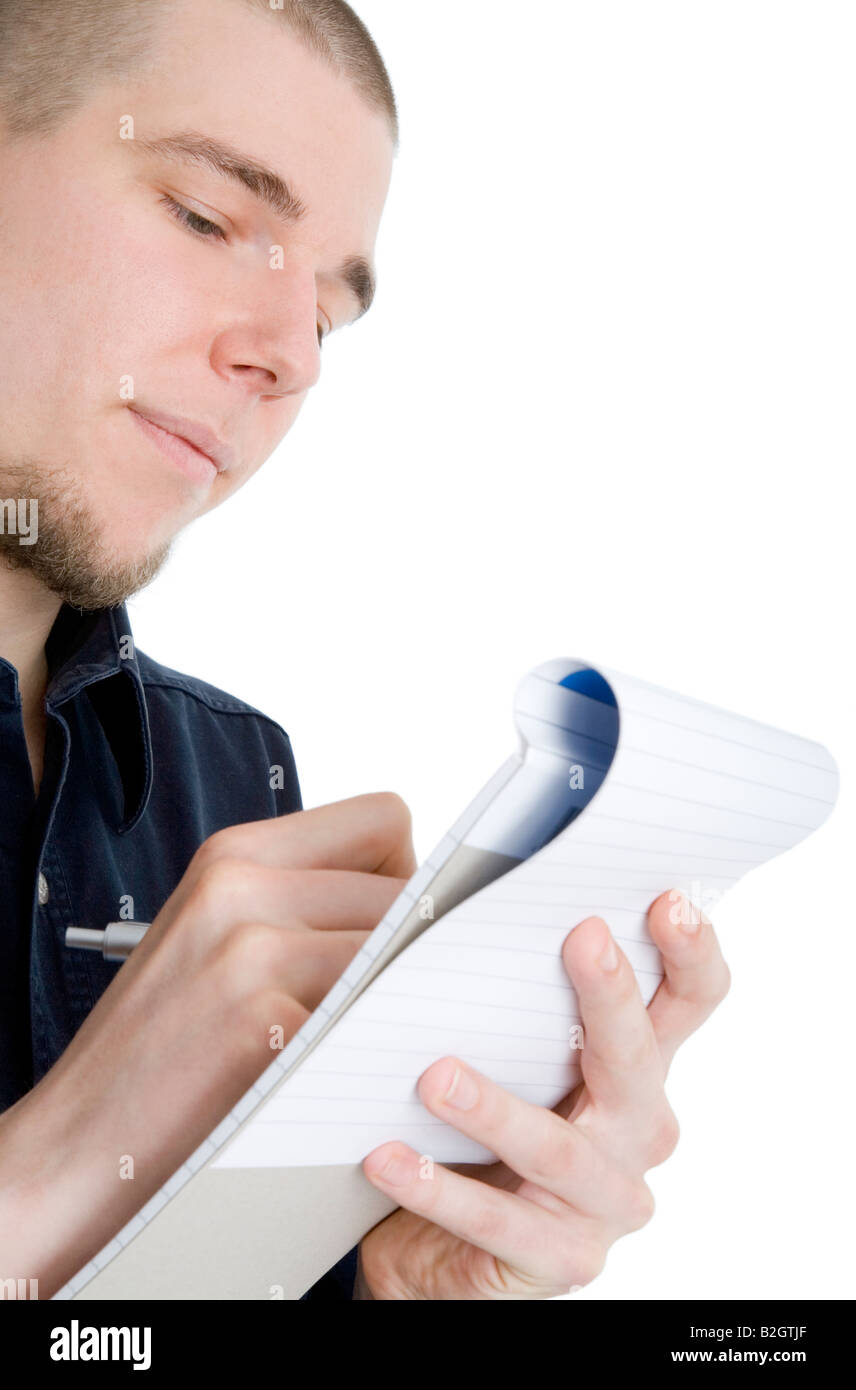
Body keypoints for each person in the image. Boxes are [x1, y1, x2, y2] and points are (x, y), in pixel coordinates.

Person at [0, 0, 731, 1301]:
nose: (286, 359)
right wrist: (48, 1172)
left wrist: (395, 1286)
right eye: (211, 219)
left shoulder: (233, 771)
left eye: (328, 316)